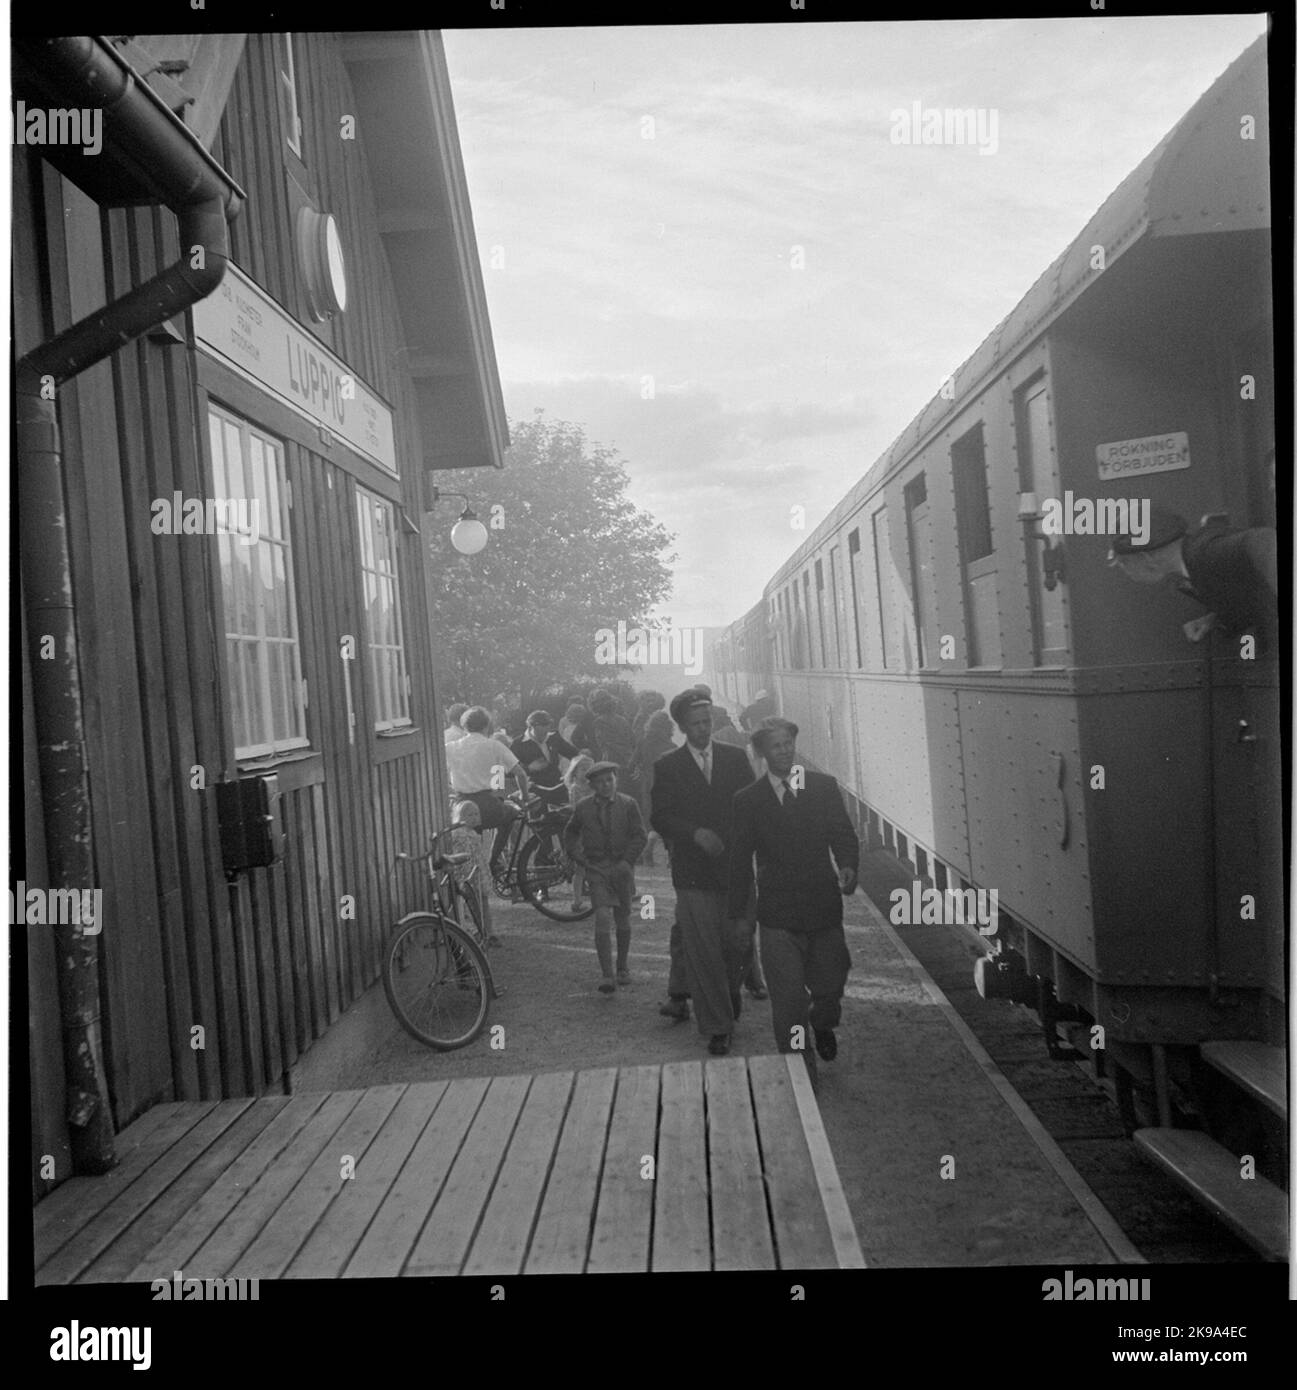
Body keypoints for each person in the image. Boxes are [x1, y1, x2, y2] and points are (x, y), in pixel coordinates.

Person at [728, 717, 858, 1089]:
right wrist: (739, 916)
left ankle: (824, 1022)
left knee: (830, 986)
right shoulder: (749, 801)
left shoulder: (821, 788)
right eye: (776, 746)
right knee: (787, 1005)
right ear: (762, 753)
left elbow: (843, 836)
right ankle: (802, 1076)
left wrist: (848, 866)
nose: (784, 751)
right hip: (778, 917)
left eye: (788, 743)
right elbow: (739, 862)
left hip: (823, 909)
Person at [651, 689, 756, 1056]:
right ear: (681, 727)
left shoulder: (735, 758)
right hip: (693, 874)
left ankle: (728, 995)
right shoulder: (668, 767)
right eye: (695, 724)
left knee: (737, 947)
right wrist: (694, 833)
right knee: (704, 951)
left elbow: (751, 806)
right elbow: (660, 816)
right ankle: (717, 1026)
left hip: (735, 870)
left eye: (707, 721)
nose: (703, 729)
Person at [1108, 504, 1278, 648]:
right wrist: (1214, 619)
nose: (1125, 571)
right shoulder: (1190, 566)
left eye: (1124, 563)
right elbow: (1249, 589)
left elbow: (1265, 541)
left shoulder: (1205, 553)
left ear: (1146, 558)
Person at [564, 761, 647, 993]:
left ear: (615, 780)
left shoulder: (628, 804)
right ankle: (607, 974)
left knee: (622, 917)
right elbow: (570, 833)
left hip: (621, 869)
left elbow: (639, 836)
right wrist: (579, 857)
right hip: (597, 869)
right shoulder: (583, 808)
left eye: (610, 780)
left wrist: (626, 861)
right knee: (601, 915)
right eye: (600, 782)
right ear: (591, 785)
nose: (606, 785)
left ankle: (622, 967)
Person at [445, 706, 531, 878]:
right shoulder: (494, 746)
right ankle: (493, 861)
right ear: (486, 726)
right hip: (487, 803)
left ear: (464, 726)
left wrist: (452, 789)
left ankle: (475, 871)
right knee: (511, 816)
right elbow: (520, 773)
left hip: (462, 805)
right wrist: (524, 797)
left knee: (471, 836)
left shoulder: (450, 747)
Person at [448, 798, 498, 947]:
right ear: (459, 817)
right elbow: (461, 854)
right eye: (470, 815)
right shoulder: (459, 834)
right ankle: (480, 931)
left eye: (476, 814)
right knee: (473, 903)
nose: (475, 817)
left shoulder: (473, 834)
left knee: (482, 902)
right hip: (468, 872)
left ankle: (488, 932)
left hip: (478, 871)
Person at [511, 710, 578, 809]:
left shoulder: (554, 737)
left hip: (557, 787)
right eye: (540, 734)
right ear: (530, 727)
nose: (544, 736)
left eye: (546, 732)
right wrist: (529, 768)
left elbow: (574, 755)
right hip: (533, 791)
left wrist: (571, 773)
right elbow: (507, 772)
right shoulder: (518, 744)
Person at [635, 709, 676, 867]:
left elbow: (632, 763)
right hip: (666, 785)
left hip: (647, 784)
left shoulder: (643, 742)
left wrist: (640, 771)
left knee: (651, 820)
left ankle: (648, 849)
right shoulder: (671, 746)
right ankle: (672, 858)